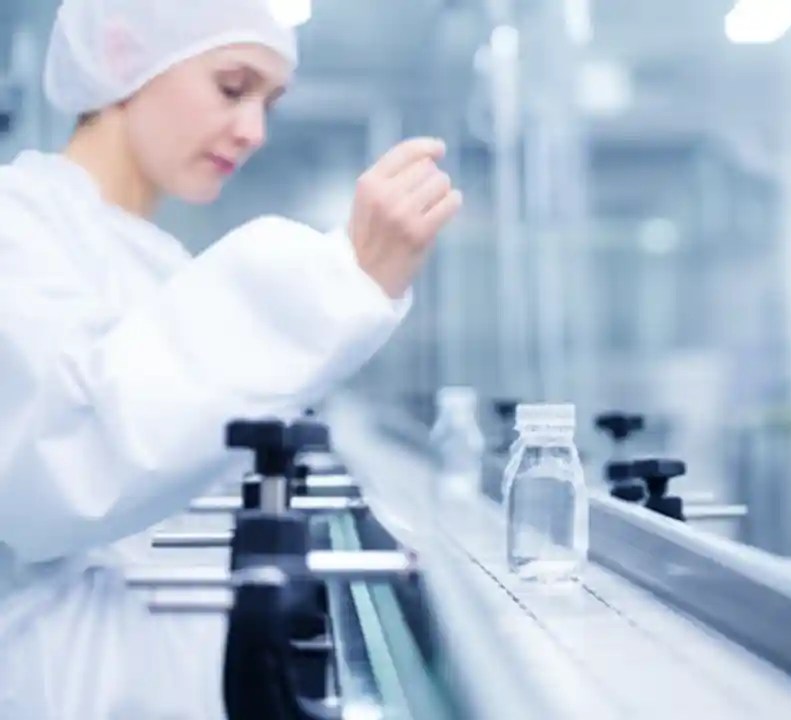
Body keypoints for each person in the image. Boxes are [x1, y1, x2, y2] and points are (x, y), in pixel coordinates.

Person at [0, 0, 462, 716]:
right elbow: (62, 456)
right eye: (231, 86)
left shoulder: (157, 262)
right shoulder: (17, 227)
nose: (253, 131)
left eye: (270, 102)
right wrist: (334, 286)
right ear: (123, 53)